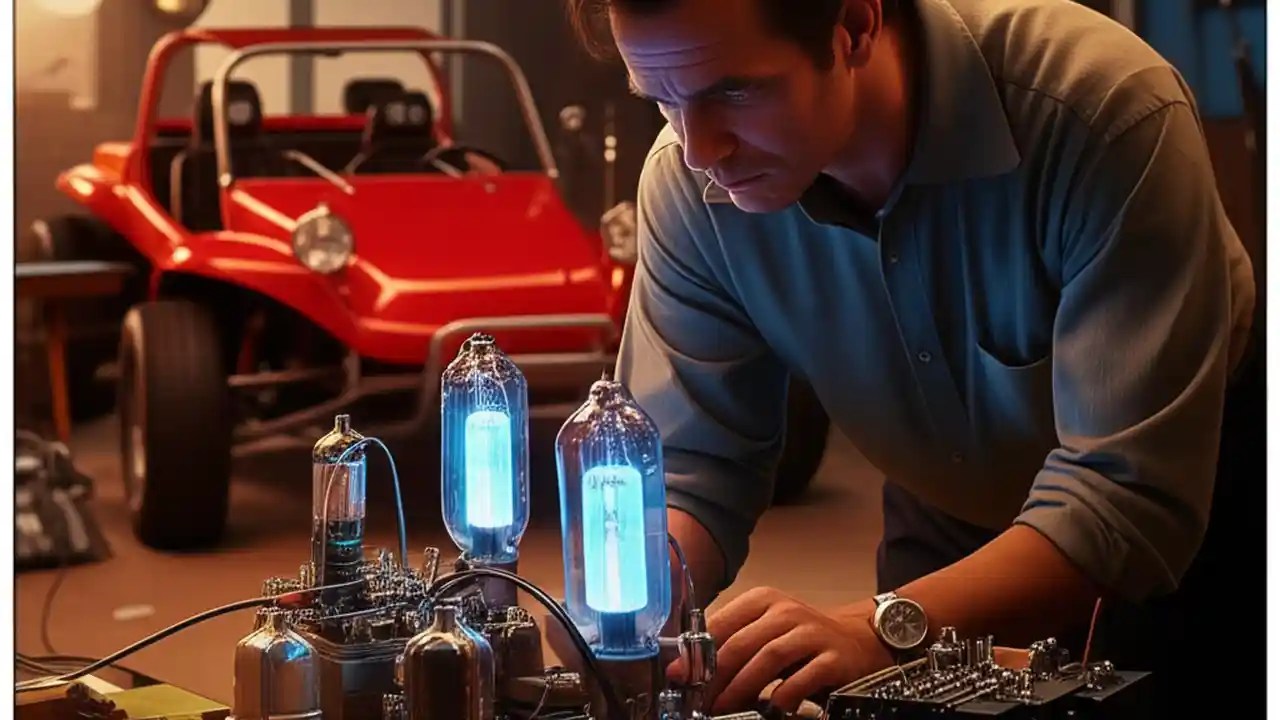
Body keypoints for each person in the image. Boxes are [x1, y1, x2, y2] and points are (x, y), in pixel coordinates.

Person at [563, 0, 1261, 715]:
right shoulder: (687, 187)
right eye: (662, 99)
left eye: (734, 92)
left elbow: (1124, 496)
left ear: (855, 25)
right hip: (947, 500)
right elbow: (692, 469)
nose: (698, 150)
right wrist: (627, 608)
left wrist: (881, 628)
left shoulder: (1102, 112)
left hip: (1200, 497)